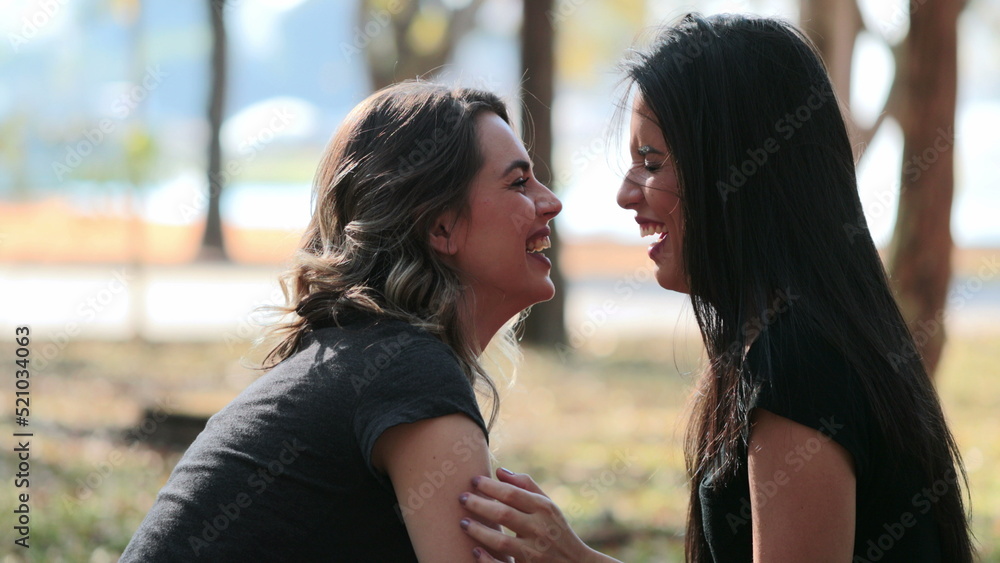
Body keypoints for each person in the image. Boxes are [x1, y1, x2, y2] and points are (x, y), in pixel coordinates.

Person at [457, 13, 974, 563]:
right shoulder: (797, 339)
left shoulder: (799, 364)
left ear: (737, 173)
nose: (626, 195)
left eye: (651, 163)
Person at [120, 80, 561, 561]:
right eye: (518, 183)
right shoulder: (410, 374)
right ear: (441, 225)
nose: (552, 202)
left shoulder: (370, 357)